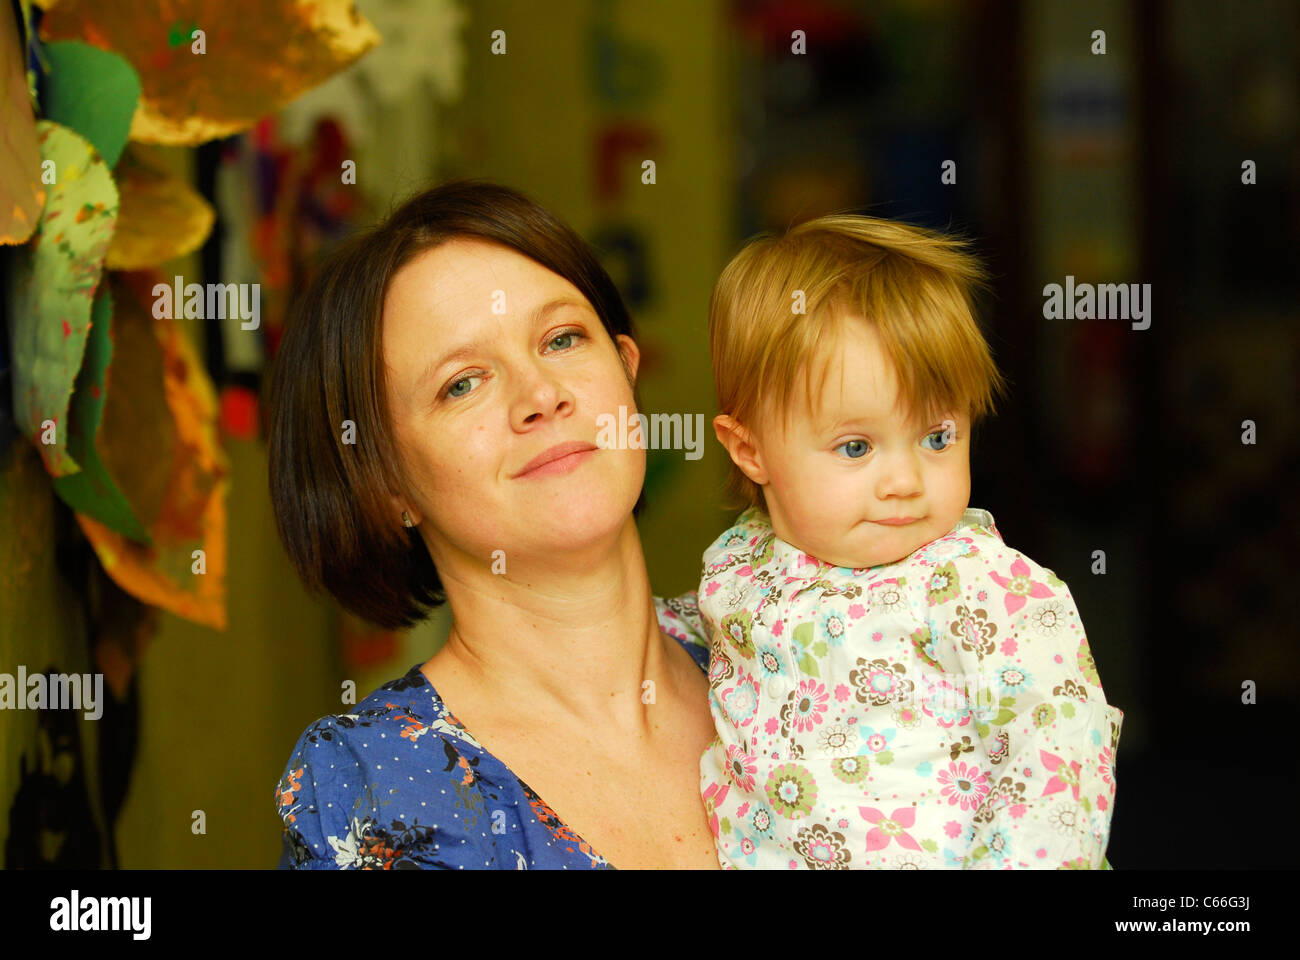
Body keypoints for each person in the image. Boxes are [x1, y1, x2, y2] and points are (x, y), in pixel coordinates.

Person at [267, 179, 720, 869]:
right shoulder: (371, 786)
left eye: (562, 338)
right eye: (463, 383)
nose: (541, 395)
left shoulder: (779, 651)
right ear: (386, 482)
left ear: (627, 374)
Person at [698, 214, 1124, 869]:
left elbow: (1058, 764)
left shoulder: (986, 589)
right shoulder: (737, 569)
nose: (905, 481)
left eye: (936, 437)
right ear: (749, 449)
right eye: (856, 447)